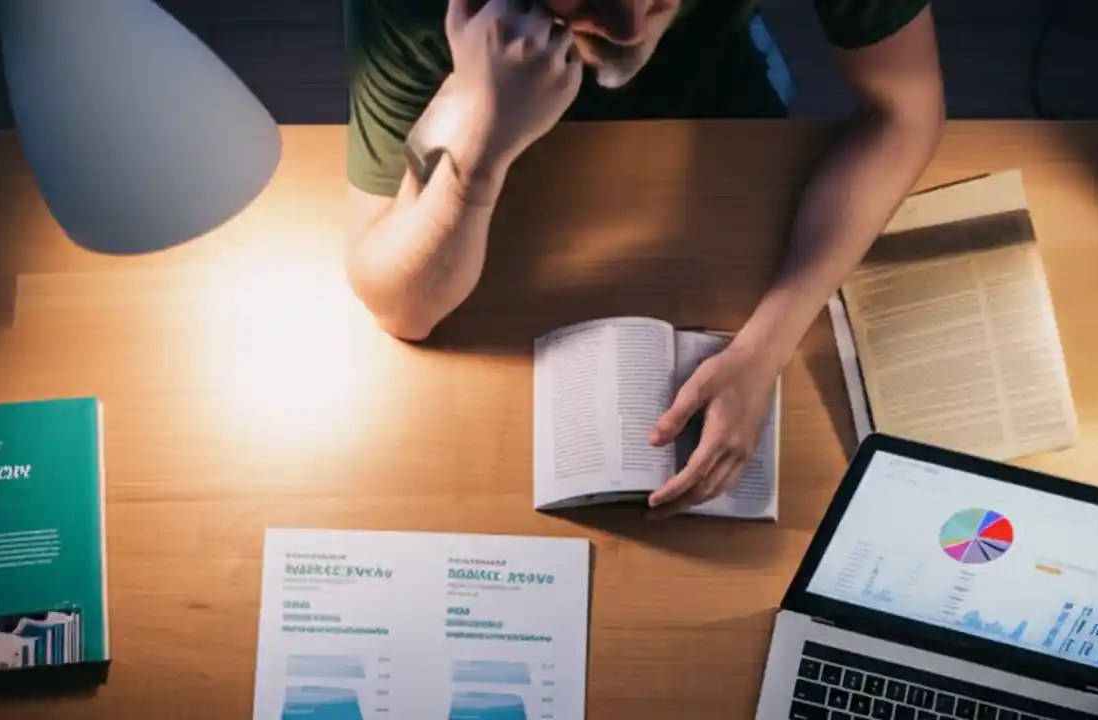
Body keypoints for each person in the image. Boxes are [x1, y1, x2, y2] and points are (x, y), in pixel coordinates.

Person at [344, 0, 945, 518]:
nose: (629, 29)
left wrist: (764, 350)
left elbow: (905, 113)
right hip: (501, 104)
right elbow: (403, 307)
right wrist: (479, 140)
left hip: (724, 114)